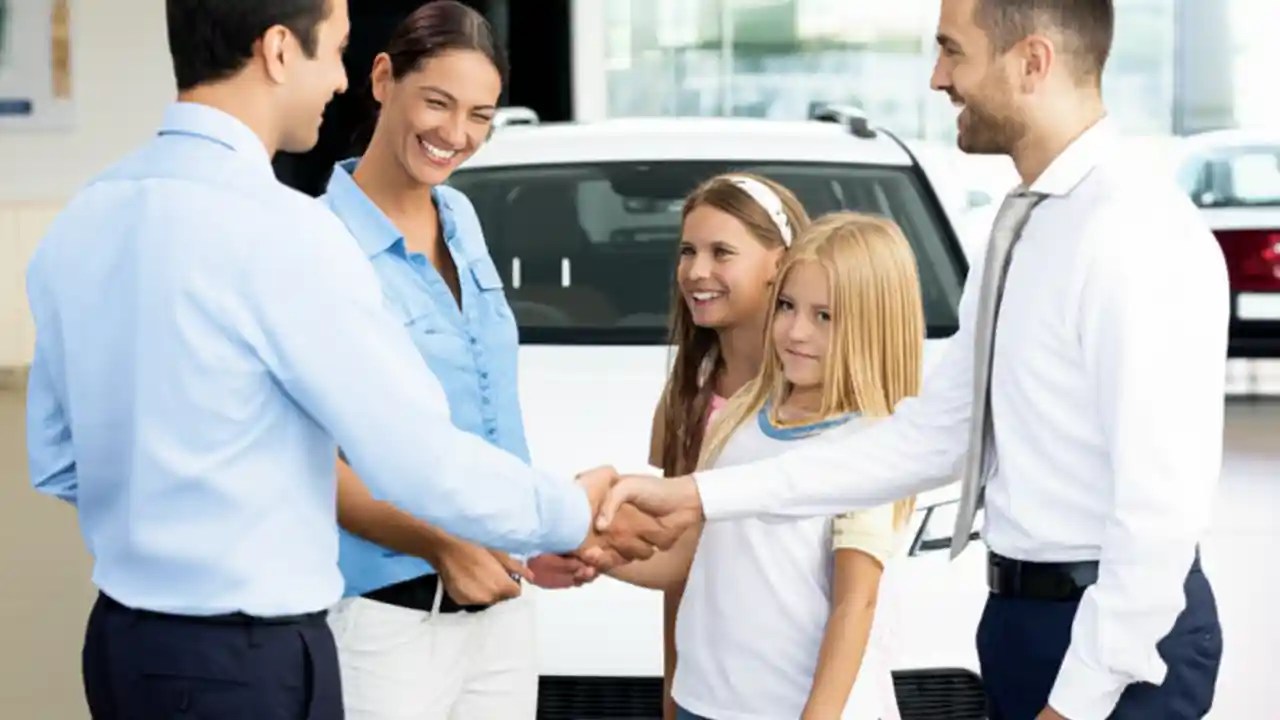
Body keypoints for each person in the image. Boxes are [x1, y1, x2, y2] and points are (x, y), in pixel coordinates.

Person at [24, 1, 664, 717]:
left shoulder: (84, 216)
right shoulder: (288, 232)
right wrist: (570, 514)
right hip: (251, 658)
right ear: (276, 51)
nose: (338, 80)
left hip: (125, 645)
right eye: (335, 51)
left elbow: (58, 461)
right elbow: (412, 456)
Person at [597, 1, 1229, 718]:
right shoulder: (1022, 225)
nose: (936, 78)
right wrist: (701, 495)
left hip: (1111, 641)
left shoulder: (1135, 232)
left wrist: (1080, 698)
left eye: (953, 52)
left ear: (1033, 62)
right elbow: (930, 436)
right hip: (1023, 623)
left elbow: (1160, 515)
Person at [317, 3, 590, 717]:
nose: (455, 134)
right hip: (386, 619)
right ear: (382, 79)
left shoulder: (461, 217)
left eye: (480, 114)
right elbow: (306, 457)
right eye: (436, 102)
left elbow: (486, 414)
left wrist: (531, 535)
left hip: (501, 607)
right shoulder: (318, 244)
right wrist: (442, 546)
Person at [613, 213, 920, 720]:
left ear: (874, 324)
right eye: (787, 306)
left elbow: (855, 605)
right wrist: (586, 547)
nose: (796, 331)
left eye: (825, 316)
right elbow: (691, 557)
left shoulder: (871, 448)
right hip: (703, 703)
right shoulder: (740, 416)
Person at [648, 172, 809, 719]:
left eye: (722, 253)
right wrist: (673, 692)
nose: (696, 272)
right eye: (688, 251)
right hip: (708, 695)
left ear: (779, 263)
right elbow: (679, 573)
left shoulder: (817, 400)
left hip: (796, 688)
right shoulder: (683, 402)